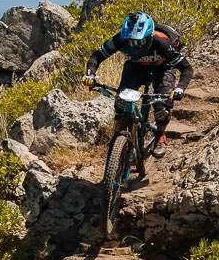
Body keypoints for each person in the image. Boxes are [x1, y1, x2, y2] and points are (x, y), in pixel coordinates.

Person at [82, 11, 193, 156]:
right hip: (135, 67)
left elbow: (186, 68)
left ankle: (160, 136)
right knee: (120, 103)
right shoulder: (119, 39)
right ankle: (117, 138)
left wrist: (180, 88)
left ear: (149, 37)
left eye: (139, 41)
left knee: (162, 107)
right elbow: (97, 56)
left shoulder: (162, 43)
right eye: (129, 41)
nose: (134, 46)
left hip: (162, 69)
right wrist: (90, 74)